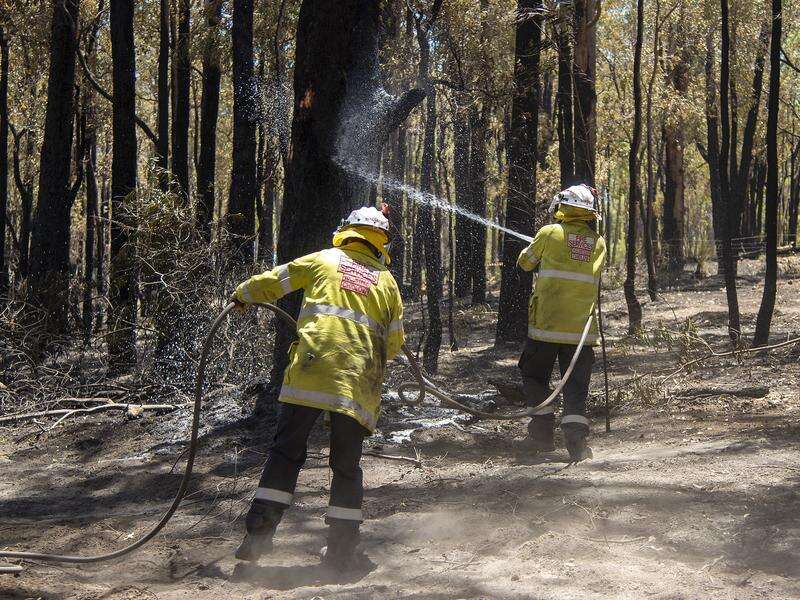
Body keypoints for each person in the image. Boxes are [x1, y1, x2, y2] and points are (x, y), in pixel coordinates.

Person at [230, 206, 404, 570]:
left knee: (286, 454)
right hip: (355, 384)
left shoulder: (323, 260)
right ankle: (341, 553)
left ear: (346, 232)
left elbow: (275, 280)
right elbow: (393, 344)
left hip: (309, 373)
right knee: (346, 466)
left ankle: (257, 537)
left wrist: (243, 295)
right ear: (381, 242)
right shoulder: (387, 282)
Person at [496, 184, 606, 462]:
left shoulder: (548, 233)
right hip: (581, 332)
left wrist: (537, 246)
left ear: (563, 207)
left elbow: (525, 263)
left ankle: (541, 436)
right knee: (576, 386)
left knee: (534, 376)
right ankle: (577, 446)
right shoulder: (599, 242)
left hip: (545, 327)